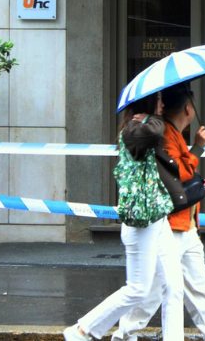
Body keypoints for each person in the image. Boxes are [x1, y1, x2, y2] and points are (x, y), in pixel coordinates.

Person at [114, 82, 205, 341]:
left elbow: (179, 176)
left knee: (197, 284)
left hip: (185, 223)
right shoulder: (163, 133)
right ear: (188, 108)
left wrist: (198, 182)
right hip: (172, 224)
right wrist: (198, 147)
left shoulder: (170, 133)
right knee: (155, 289)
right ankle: (124, 333)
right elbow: (178, 173)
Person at [64, 102, 185, 341]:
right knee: (138, 289)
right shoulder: (135, 129)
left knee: (173, 285)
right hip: (141, 222)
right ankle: (82, 330)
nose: (163, 104)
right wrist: (153, 118)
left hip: (156, 217)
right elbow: (153, 133)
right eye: (159, 100)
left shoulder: (143, 127)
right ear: (148, 103)